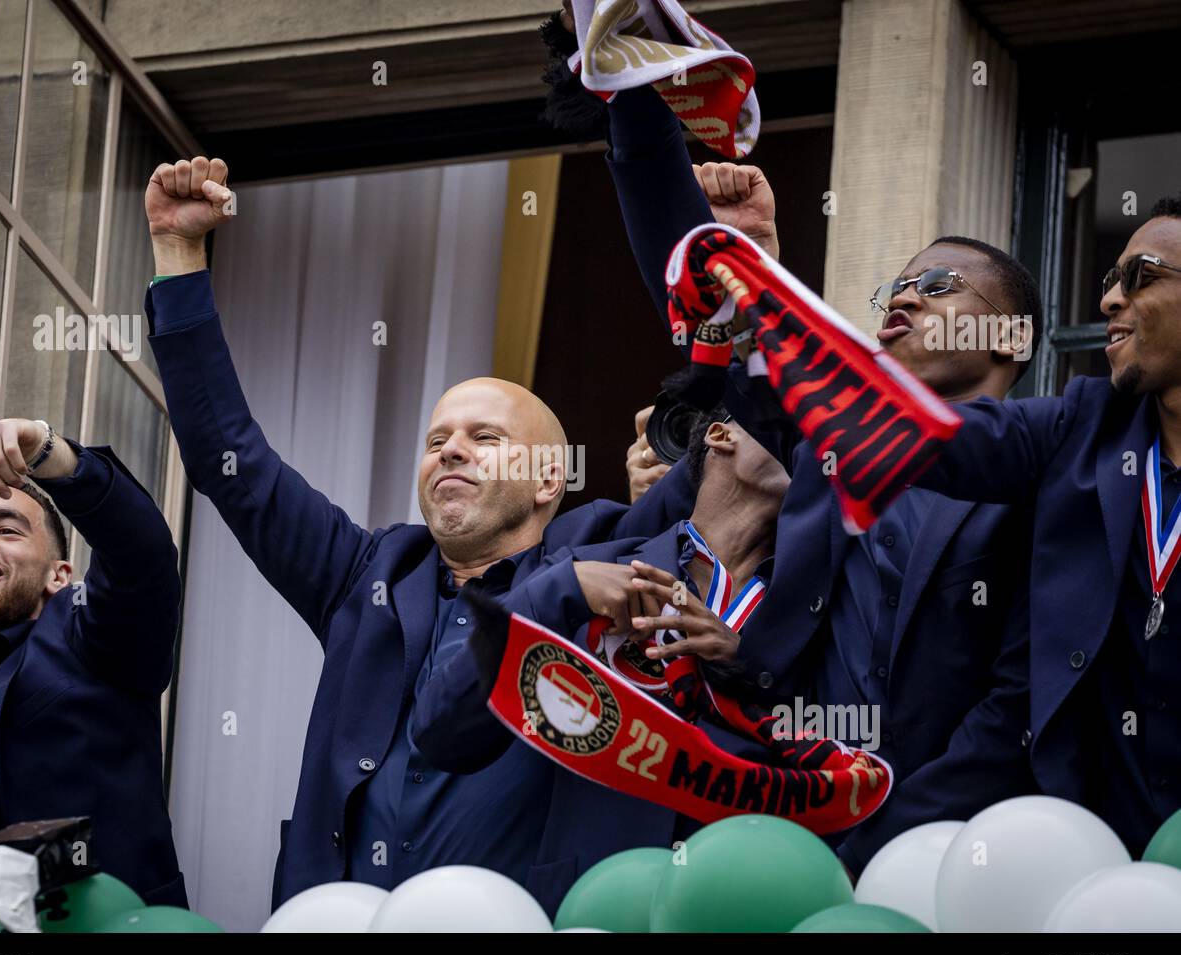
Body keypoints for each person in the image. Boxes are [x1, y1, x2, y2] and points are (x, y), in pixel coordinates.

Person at [141, 156, 698, 911]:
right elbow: (227, 458)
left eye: (484, 437)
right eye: (437, 441)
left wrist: (734, 275)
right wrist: (179, 255)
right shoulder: (365, 573)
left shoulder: (596, 560)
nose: (451, 451)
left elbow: (735, 479)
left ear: (547, 480)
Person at [597, 66, 1040, 872]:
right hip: (791, 847)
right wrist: (634, 100)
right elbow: (717, 311)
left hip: (961, 861)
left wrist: (894, 832)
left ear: (1013, 338)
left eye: (937, 285)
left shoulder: (1050, 471)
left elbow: (1019, 701)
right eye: (894, 288)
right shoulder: (825, 457)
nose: (902, 300)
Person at [413, 407, 791, 911]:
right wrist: (563, 588)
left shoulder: (812, 607)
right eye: (790, 425)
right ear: (721, 436)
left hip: (744, 905)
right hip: (586, 903)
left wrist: (744, 663)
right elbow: (441, 726)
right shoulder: (590, 567)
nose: (814, 449)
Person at [898, 197, 1181, 855]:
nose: (1109, 300)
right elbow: (937, 437)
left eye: (1139, 275)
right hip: (1090, 872)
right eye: (1108, 281)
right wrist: (761, 334)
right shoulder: (1080, 427)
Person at [0, 417, 185, 930]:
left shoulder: (95, 648)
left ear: (59, 577)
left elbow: (142, 558)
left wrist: (51, 455)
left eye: (6, 529)